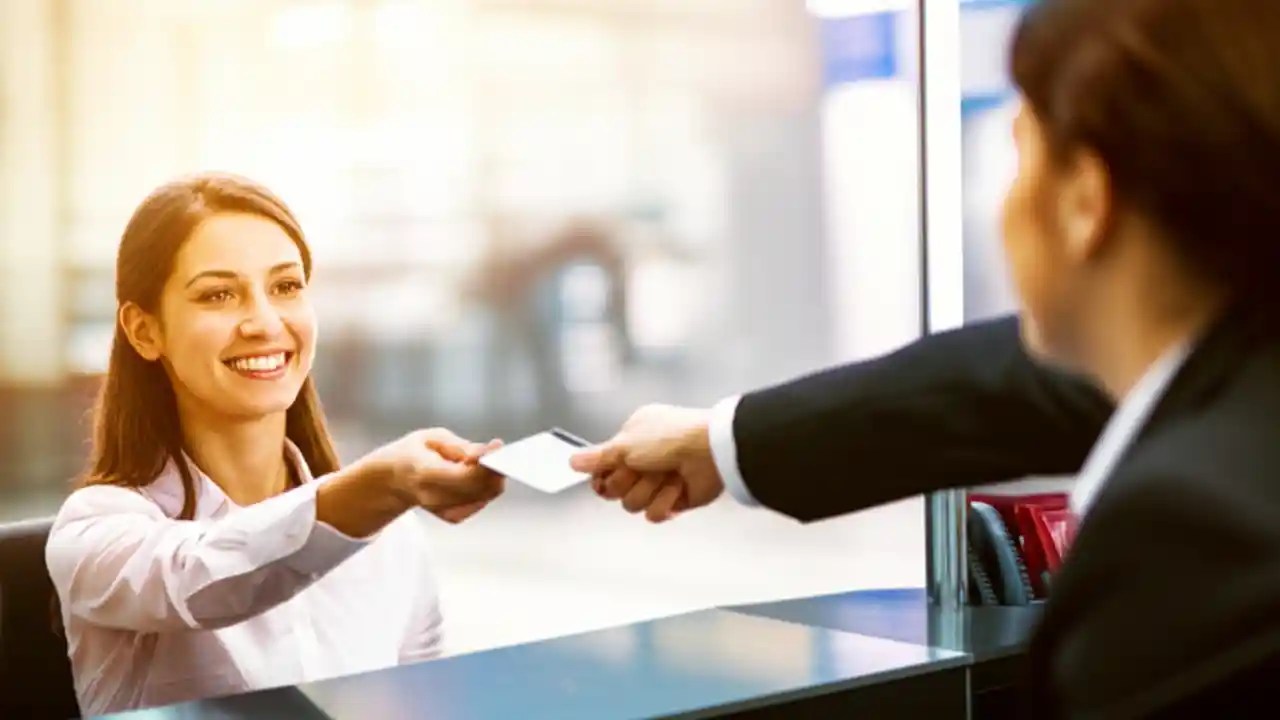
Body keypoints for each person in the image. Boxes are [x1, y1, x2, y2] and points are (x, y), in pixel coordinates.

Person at [573, 0, 1280, 716]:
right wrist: (722, 442)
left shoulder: (1194, 543)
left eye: (1020, 152)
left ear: (1084, 203)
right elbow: (1016, 391)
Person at [44, 173, 506, 717]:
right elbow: (202, 580)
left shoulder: (392, 540)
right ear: (145, 331)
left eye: (286, 287)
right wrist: (379, 486)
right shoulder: (94, 532)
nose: (264, 323)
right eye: (218, 295)